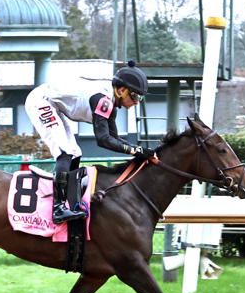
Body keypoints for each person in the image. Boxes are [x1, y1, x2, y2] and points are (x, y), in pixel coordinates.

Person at [24, 60, 153, 224]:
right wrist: (136, 151)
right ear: (121, 90)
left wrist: (138, 149)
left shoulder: (110, 103)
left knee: (76, 152)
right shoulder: (103, 100)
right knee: (65, 152)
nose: (136, 102)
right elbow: (103, 140)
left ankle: (72, 204)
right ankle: (58, 208)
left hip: (54, 104)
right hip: (41, 100)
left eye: (140, 98)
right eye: (135, 96)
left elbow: (113, 138)